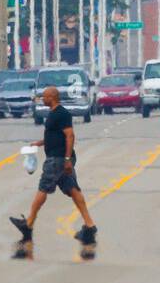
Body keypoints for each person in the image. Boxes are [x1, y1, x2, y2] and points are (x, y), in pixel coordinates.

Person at [11, 86, 98, 245]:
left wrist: (66, 159)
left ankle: (28, 224)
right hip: (59, 159)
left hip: (57, 160)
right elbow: (55, 135)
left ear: (52, 97)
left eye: (45, 97)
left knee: (43, 188)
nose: (43, 99)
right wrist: (40, 143)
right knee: (73, 190)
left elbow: (69, 136)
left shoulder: (61, 113)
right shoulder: (54, 114)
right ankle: (90, 226)